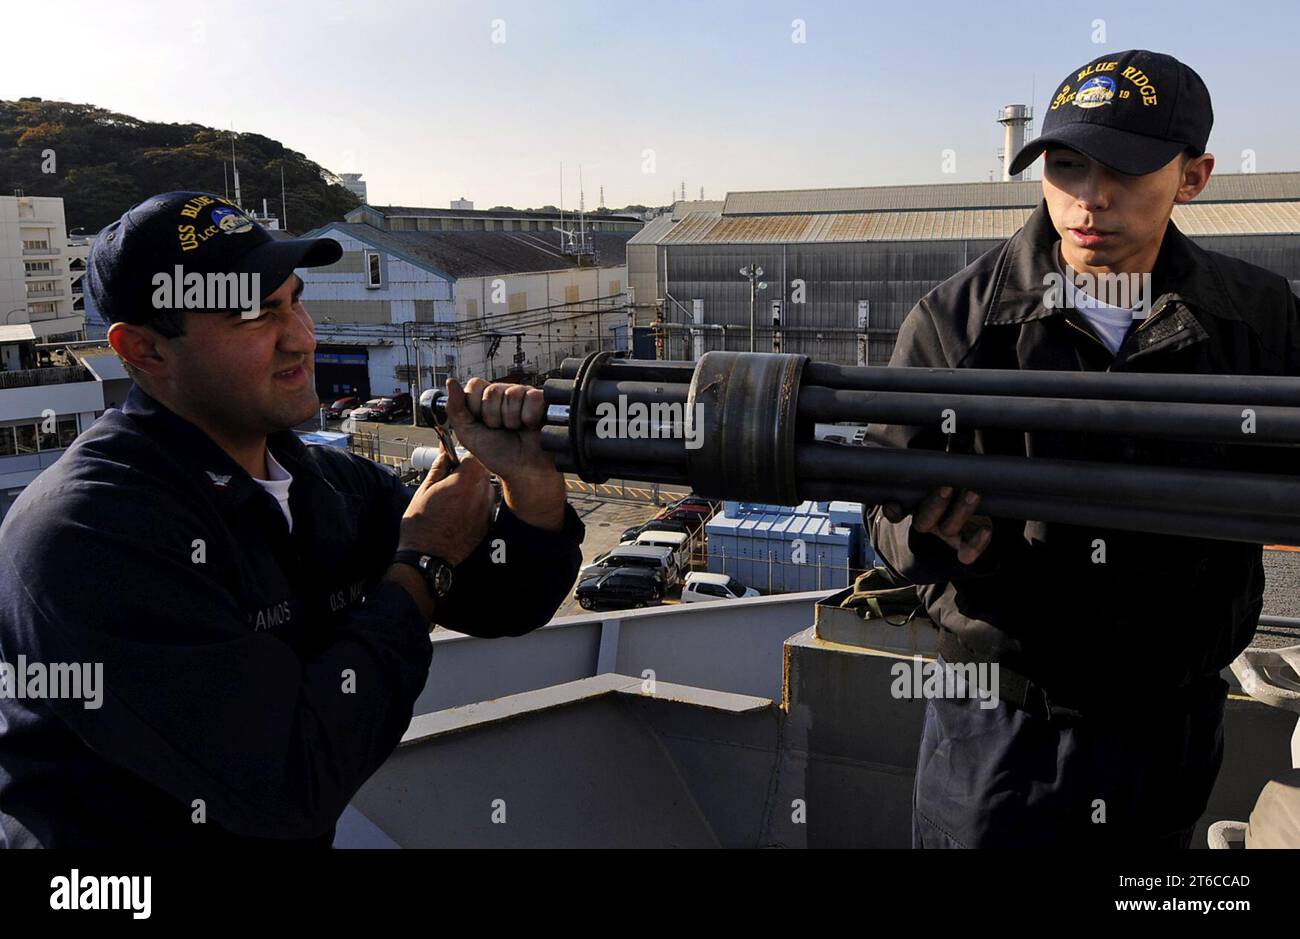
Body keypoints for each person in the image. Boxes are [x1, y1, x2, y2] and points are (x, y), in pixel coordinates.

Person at [0, 192, 585, 847]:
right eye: (254, 312)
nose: (302, 336)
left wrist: (528, 484)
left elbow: (499, 599)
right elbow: (288, 781)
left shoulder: (321, 484)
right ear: (144, 349)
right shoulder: (88, 535)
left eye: (294, 300)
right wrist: (420, 562)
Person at [865, 50, 1300, 848]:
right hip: (1000, 738)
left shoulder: (1259, 323)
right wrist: (927, 535)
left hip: (1166, 735)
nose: (1089, 199)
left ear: (1194, 177)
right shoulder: (957, 325)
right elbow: (881, 512)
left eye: (1124, 171)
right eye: (1066, 166)